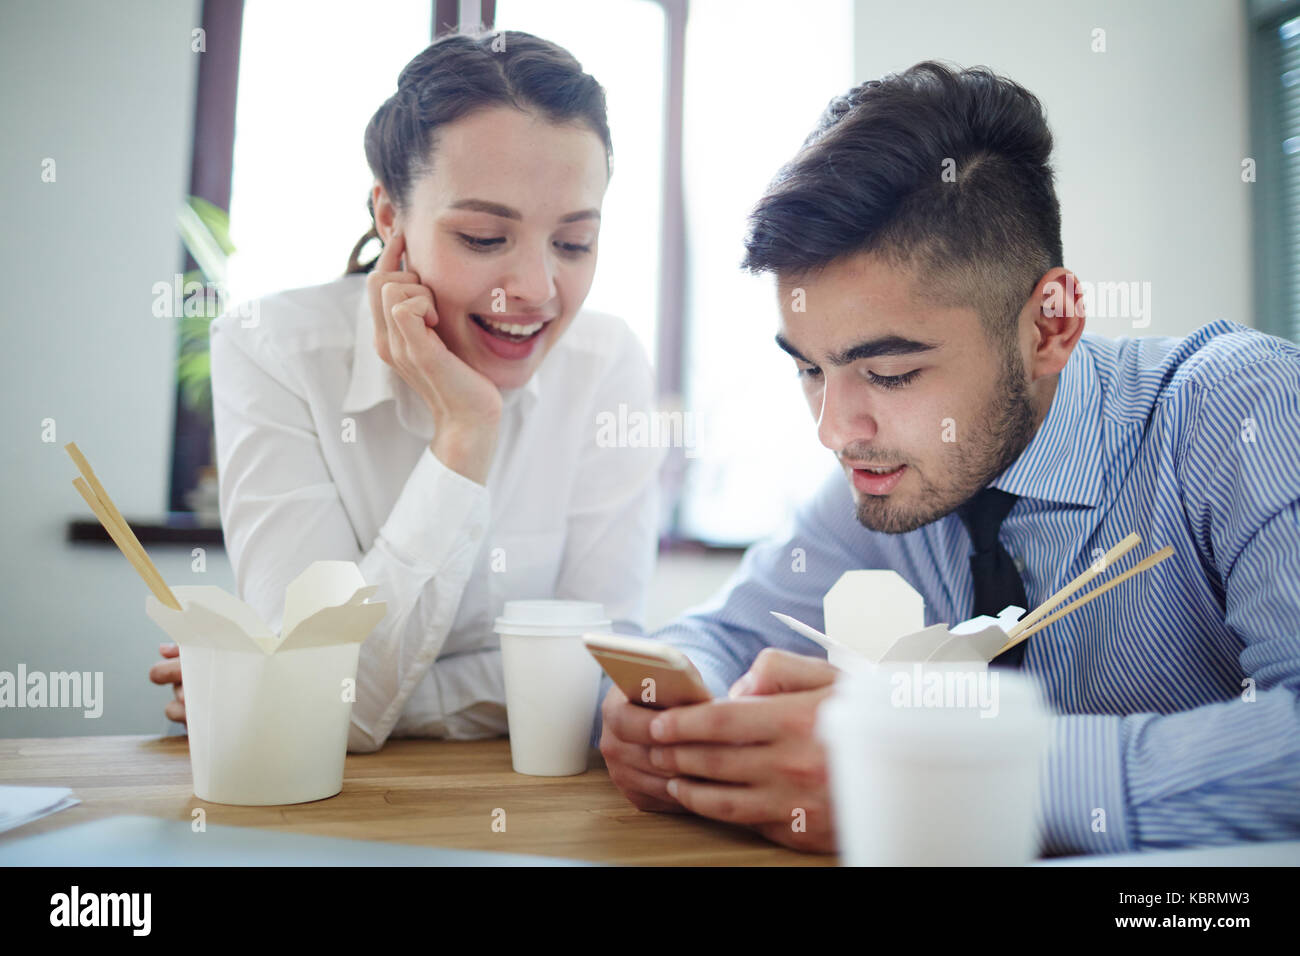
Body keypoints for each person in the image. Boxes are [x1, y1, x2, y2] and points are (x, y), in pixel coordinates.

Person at [598, 60, 1300, 856]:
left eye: (891, 374)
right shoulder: (887, 474)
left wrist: (940, 778)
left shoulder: (1245, 414)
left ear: (1049, 326)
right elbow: (720, 638)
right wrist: (671, 712)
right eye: (808, 368)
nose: (834, 428)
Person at [149, 30, 663, 751]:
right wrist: (465, 435)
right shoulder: (274, 350)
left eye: (574, 243)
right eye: (485, 237)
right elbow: (323, 711)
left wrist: (284, 690)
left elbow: (602, 674)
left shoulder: (606, 362)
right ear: (390, 218)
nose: (538, 290)